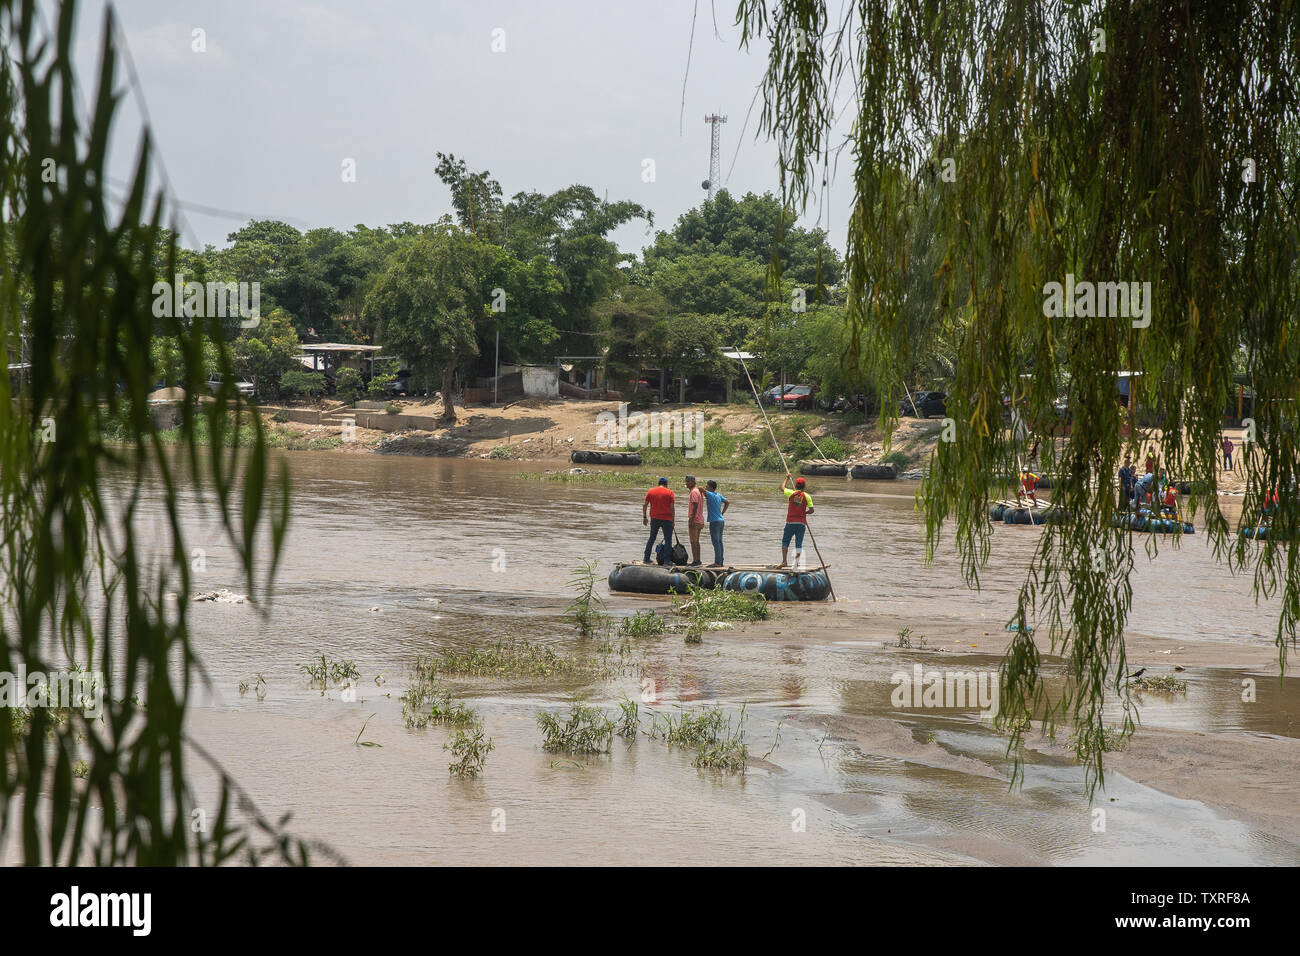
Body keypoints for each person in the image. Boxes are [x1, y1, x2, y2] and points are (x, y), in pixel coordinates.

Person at [779, 475, 814, 568]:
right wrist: (804, 512)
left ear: (795, 485)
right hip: (801, 523)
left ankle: (784, 561)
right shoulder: (807, 496)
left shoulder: (791, 493)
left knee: (785, 542)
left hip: (790, 522)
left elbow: (782, 488)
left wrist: (786, 478)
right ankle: (796, 563)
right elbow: (811, 510)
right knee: (798, 543)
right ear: (804, 486)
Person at [642, 477, 675, 565]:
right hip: (666, 519)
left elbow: (644, 505)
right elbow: (672, 508)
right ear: (666, 484)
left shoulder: (651, 491)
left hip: (654, 518)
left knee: (652, 538)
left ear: (658, 483)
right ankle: (666, 561)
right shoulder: (670, 492)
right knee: (668, 540)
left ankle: (646, 558)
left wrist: (645, 517)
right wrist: (673, 520)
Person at [703, 479, 729, 567]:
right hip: (721, 520)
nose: (705, 487)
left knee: (716, 542)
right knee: (720, 541)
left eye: (706, 486)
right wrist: (722, 513)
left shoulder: (710, 494)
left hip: (714, 521)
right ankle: (720, 562)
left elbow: (700, 489)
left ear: (710, 488)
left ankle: (717, 562)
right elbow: (727, 502)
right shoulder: (718, 495)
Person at [684, 475, 706, 566]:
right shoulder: (698, 491)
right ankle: (698, 560)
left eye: (688, 481)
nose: (687, 483)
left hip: (695, 520)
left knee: (693, 542)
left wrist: (691, 520)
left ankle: (695, 561)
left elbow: (695, 505)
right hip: (700, 520)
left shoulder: (693, 492)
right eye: (686, 481)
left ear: (693, 482)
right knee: (696, 541)